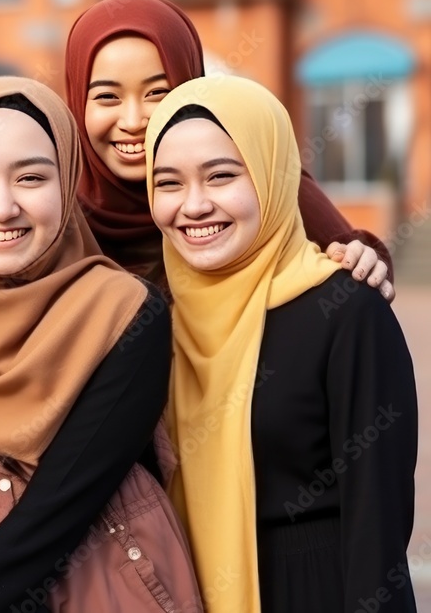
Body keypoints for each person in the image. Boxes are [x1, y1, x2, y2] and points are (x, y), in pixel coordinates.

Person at [0, 76, 202, 612]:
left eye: (29, 178)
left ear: (66, 181)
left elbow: (63, 503)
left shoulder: (126, 313)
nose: (2, 207)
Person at [147, 74, 417, 612]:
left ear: (273, 176)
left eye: (221, 176)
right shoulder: (155, 320)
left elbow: (378, 521)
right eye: (169, 183)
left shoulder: (344, 310)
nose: (194, 205)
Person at [63, 0, 394, 299]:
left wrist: (364, 260)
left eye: (157, 93)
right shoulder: (58, 208)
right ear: (78, 101)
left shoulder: (257, 176)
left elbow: (360, 261)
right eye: (107, 97)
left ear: (190, 87)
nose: (133, 121)